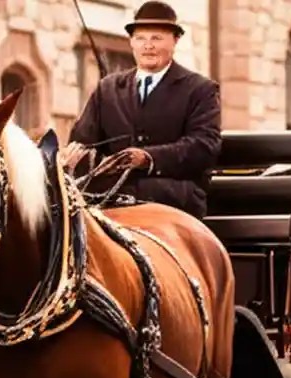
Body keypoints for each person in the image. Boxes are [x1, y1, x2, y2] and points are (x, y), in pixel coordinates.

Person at [62, 1, 222, 218]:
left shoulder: (200, 89)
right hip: (110, 195)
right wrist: (74, 156)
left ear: (175, 41)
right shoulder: (107, 89)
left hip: (174, 198)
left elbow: (203, 147)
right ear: (131, 43)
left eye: (156, 38)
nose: (148, 46)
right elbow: (84, 140)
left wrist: (148, 158)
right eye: (140, 38)